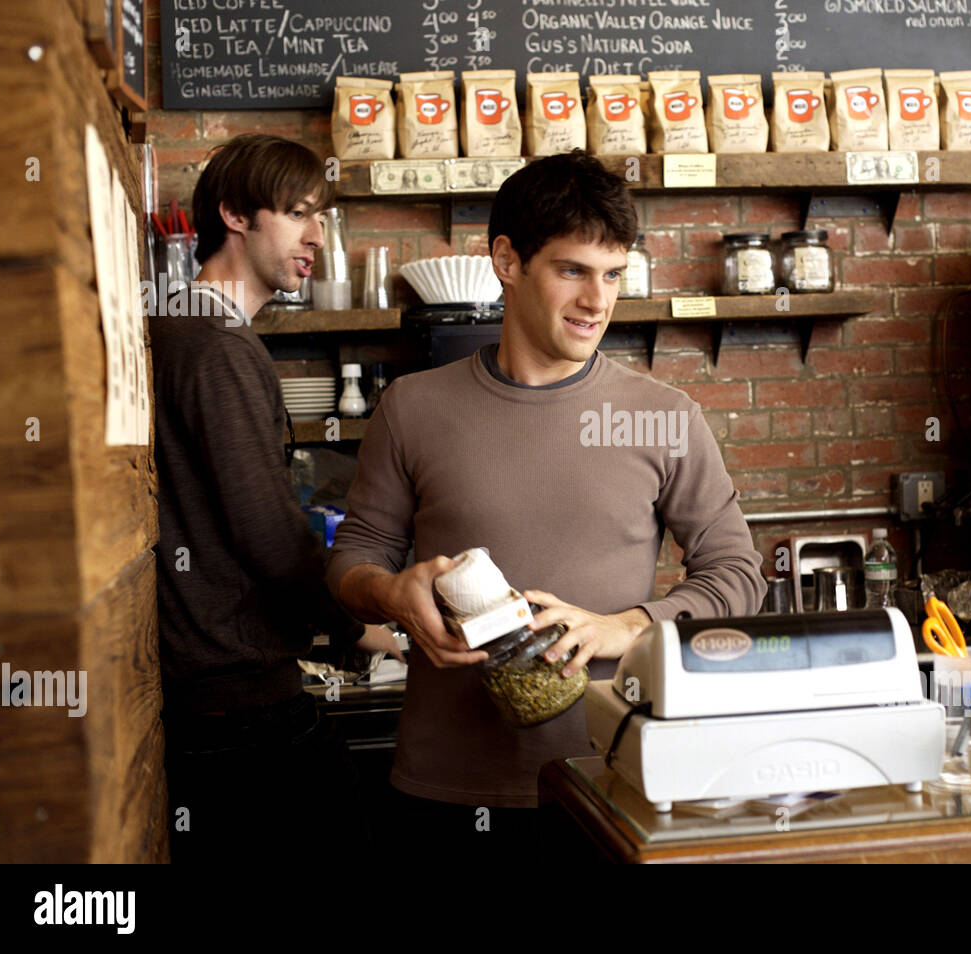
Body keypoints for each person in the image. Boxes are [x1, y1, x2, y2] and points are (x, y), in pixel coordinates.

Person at [326, 150, 766, 856]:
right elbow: (351, 560)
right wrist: (388, 590)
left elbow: (738, 575)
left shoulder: (663, 415)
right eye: (572, 270)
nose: (598, 301)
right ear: (507, 260)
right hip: (445, 792)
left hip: (611, 784)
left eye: (614, 274)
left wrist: (623, 627)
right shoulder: (413, 408)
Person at [150, 134, 400, 863]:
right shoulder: (217, 343)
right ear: (233, 214)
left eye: (319, 218)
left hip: (203, 690)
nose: (315, 239)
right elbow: (264, 530)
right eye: (296, 214)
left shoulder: (181, 328)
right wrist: (355, 628)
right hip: (238, 701)